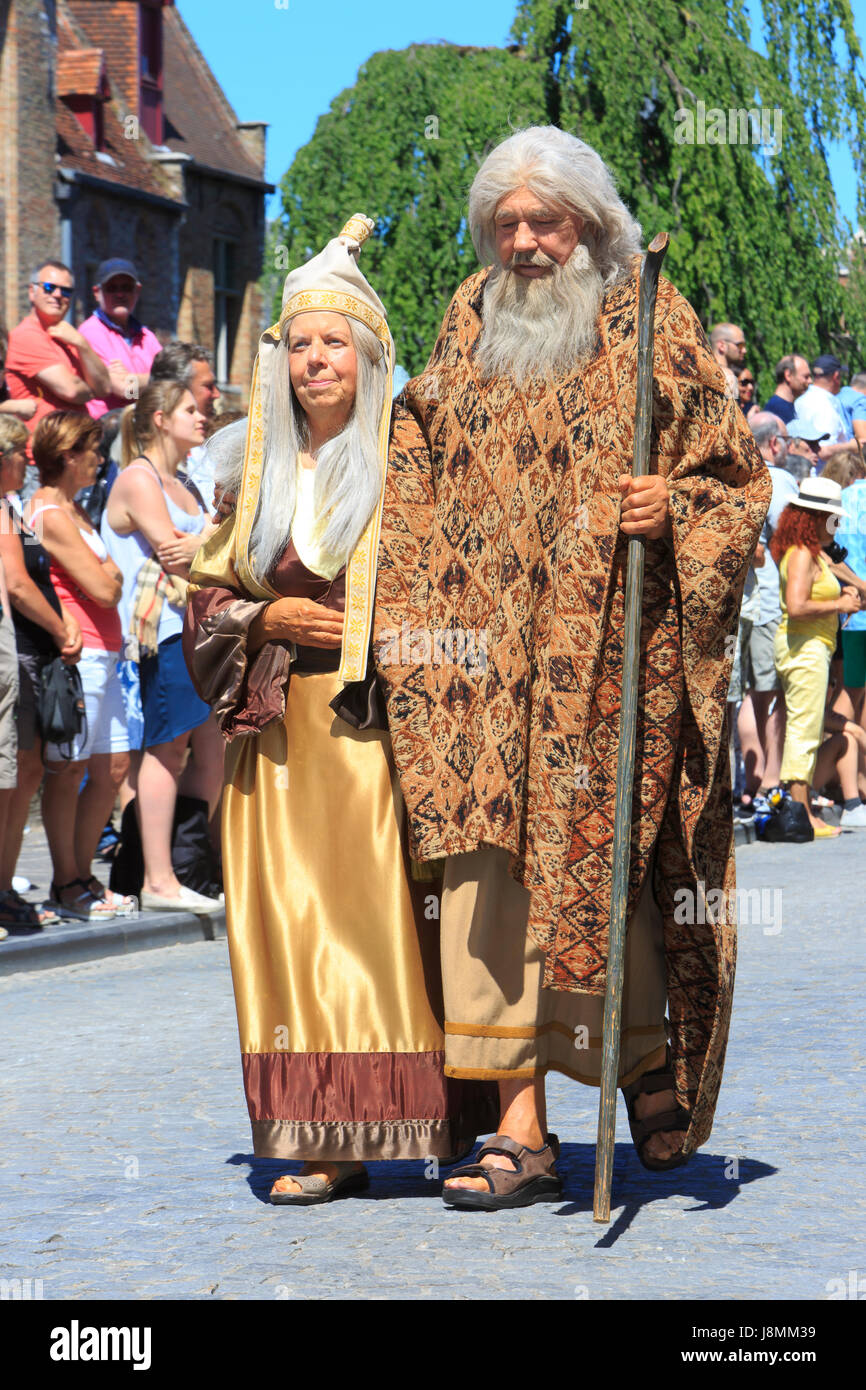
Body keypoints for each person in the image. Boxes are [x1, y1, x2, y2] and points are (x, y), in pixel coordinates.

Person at [374, 127, 770, 1209]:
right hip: (476, 664)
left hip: (606, 650)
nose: (522, 243)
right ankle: (517, 1127)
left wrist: (671, 505)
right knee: (482, 880)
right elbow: (410, 455)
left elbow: (735, 480)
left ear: (590, 226)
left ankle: (637, 1065)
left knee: (607, 869)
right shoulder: (465, 315)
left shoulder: (649, 314)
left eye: (543, 222)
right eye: (503, 224)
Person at [184, 216, 497, 1204]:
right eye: (301, 343)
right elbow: (203, 602)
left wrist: (374, 631)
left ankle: (442, 1119)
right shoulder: (250, 478)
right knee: (293, 928)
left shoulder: (412, 475)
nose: (317, 360)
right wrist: (264, 612)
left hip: (384, 737)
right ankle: (327, 1135)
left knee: (391, 927)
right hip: (276, 744)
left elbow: (461, 597)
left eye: (335, 343)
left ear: (369, 356)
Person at [103, 381, 223, 913]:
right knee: (168, 748)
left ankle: (194, 864)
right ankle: (156, 878)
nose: (203, 417)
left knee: (213, 748)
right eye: (190, 410)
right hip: (166, 631)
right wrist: (212, 541)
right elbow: (175, 554)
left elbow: (202, 543)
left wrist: (206, 541)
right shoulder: (139, 478)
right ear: (158, 418)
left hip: (203, 628)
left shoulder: (185, 485)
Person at [26, 412, 133, 917]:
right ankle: (66, 882)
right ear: (68, 454)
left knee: (112, 768)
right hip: (81, 654)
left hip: (107, 649)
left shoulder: (76, 511)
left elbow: (110, 582)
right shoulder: (48, 512)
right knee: (67, 771)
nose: (101, 459)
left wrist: (109, 576)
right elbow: (106, 587)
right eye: (93, 450)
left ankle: (83, 875)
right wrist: (109, 576)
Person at [0, 418, 81, 930]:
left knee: (21, 775)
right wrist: (60, 628)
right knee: (9, 777)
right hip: (21, 651)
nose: (28, 463)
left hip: (26, 655)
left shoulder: (10, 508)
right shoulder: (5, 511)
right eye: (20, 454)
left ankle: (5, 887)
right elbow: (18, 585)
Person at [771, 477, 861, 836]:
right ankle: (800, 813)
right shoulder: (801, 555)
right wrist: (839, 603)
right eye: (832, 519)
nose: (836, 526)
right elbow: (795, 605)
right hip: (803, 648)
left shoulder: (812, 554)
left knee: (806, 729)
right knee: (803, 731)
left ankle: (803, 810)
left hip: (813, 647)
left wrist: (848, 598)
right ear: (814, 518)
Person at [743, 413, 799, 801]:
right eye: (788, 438)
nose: (793, 446)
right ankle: (767, 781)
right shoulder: (776, 480)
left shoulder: (740, 476)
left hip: (750, 604)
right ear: (774, 443)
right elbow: (794, 537)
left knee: (748, 693)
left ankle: (755, 783)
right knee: (768, 692)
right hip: (767, 605)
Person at [3, 261, 111, 434]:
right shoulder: (26, 336)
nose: (58, 294)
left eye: (66, 291)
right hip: (45, 452)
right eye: (49, 287)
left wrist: (82, 344)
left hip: (78, 445)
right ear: (32, 292)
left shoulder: (71, 337)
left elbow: (105, 388)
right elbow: (72, 390)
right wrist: (92, 390)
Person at [78, 259, 162, 419]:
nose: (120, 294)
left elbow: (171, 381)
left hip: (143, 427)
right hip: (109, 431)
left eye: (126, 288)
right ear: (97, 292)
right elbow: (126, 390)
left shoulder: (146, 336)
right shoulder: (91, 332)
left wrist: (133, 379)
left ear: (137, 291)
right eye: (112, 288)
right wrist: (155, 378)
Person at [150, 343, 221, 503]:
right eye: (208, 386)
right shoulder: (141, 465)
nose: (217, 394)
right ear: (176, 390)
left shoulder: (203, 447)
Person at [794, 355, 859, 462]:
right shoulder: (825, 406)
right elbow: (823, 451)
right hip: (824, 474)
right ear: (836, 376)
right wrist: (851, 446)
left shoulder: (800, 400)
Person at [764, 354, 813, 426]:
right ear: (788, 375)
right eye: (806, 377)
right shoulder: (776, 410)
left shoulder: (787, 406)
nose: (810, 381)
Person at [709, 321, 746, 399]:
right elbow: (730, 411)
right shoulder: (728, 376)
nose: (744, 350)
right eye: (740, 345)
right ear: (722, 346)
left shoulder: (703, 369)